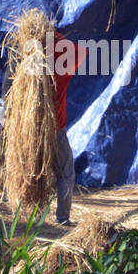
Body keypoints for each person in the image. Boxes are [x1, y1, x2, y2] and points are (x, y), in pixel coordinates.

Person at [50, 29, 84, 227]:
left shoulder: (28, 74)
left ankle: (31, 217)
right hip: (55, 130)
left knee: (36, 174)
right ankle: (62, 218)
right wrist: (55, 36)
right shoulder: (60, 72)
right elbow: (80, 51)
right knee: (66, 172)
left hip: (32, 134)